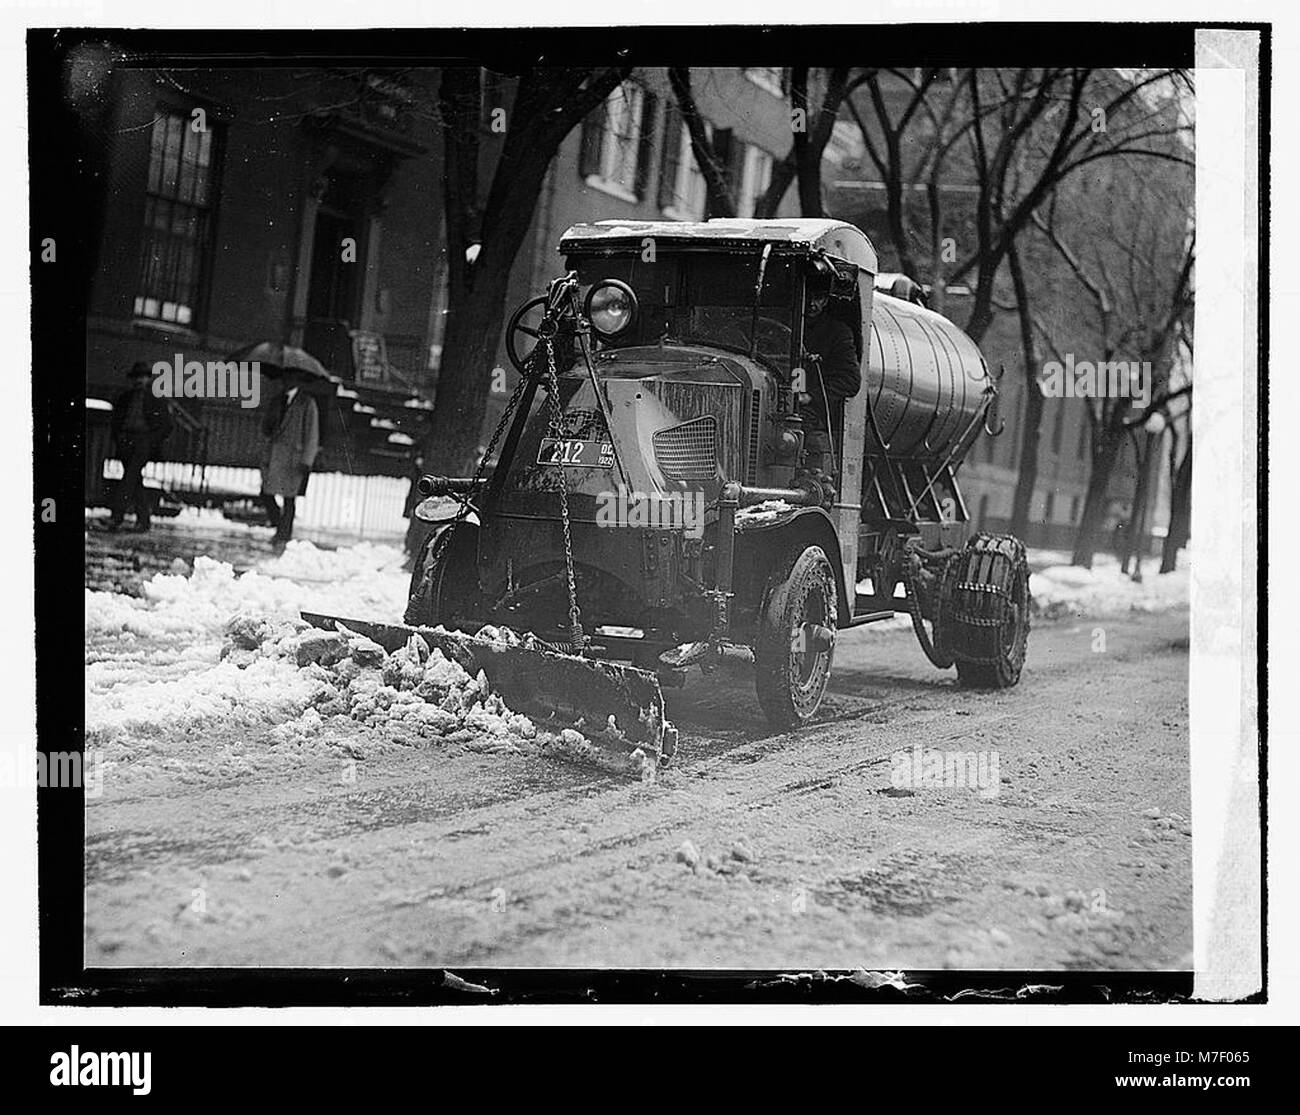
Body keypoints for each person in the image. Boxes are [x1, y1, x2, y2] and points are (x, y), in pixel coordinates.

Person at [800, 263, 860, 476]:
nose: (812, 303)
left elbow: (851, 380)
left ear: (826, 300)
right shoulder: (773, 325)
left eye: (818, 298)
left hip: (810, 412)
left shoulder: (837, 333)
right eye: (807, 296)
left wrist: (811, 396)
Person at [109, 361, 173, 533]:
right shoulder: (125, 398)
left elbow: (167, 425)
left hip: (143, 442)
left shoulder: (156, 399)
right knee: (134, 480)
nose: (139, 381)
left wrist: (152, 441)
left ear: (148, 379)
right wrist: (119, 437)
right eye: (137, 377)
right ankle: (143, 521)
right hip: (126, 442)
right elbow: (116, 421)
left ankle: (116, 518)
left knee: (129, 478)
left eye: (143, 377)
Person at [260, 369, 321, 543]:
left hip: (293, 458)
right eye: (285, 378)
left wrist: (307, 460)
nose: (287, 381)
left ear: (298, 380)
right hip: (275, 455)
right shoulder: (277, 400)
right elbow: (267, 428)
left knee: (289, 499)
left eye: (291, 378)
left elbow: (312, 434)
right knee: (265, 494)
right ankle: (280, 527)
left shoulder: (307, 403)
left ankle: (284, 535)